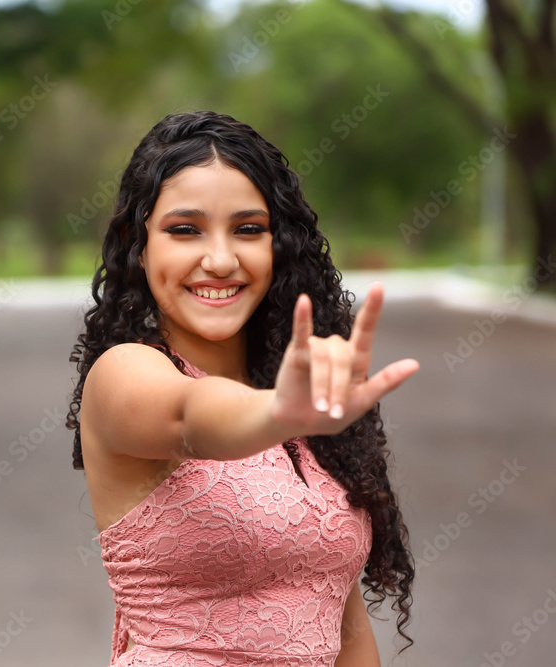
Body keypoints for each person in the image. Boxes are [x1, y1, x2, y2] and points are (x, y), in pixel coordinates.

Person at [66, 111, 420, 666]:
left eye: (248, 229)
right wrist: (279, 411)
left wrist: (288, 410)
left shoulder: (304, 417)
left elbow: (341, 618)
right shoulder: (124, 374)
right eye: (185, 230)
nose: (221, 260)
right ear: (138, 244)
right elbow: (192, 417)